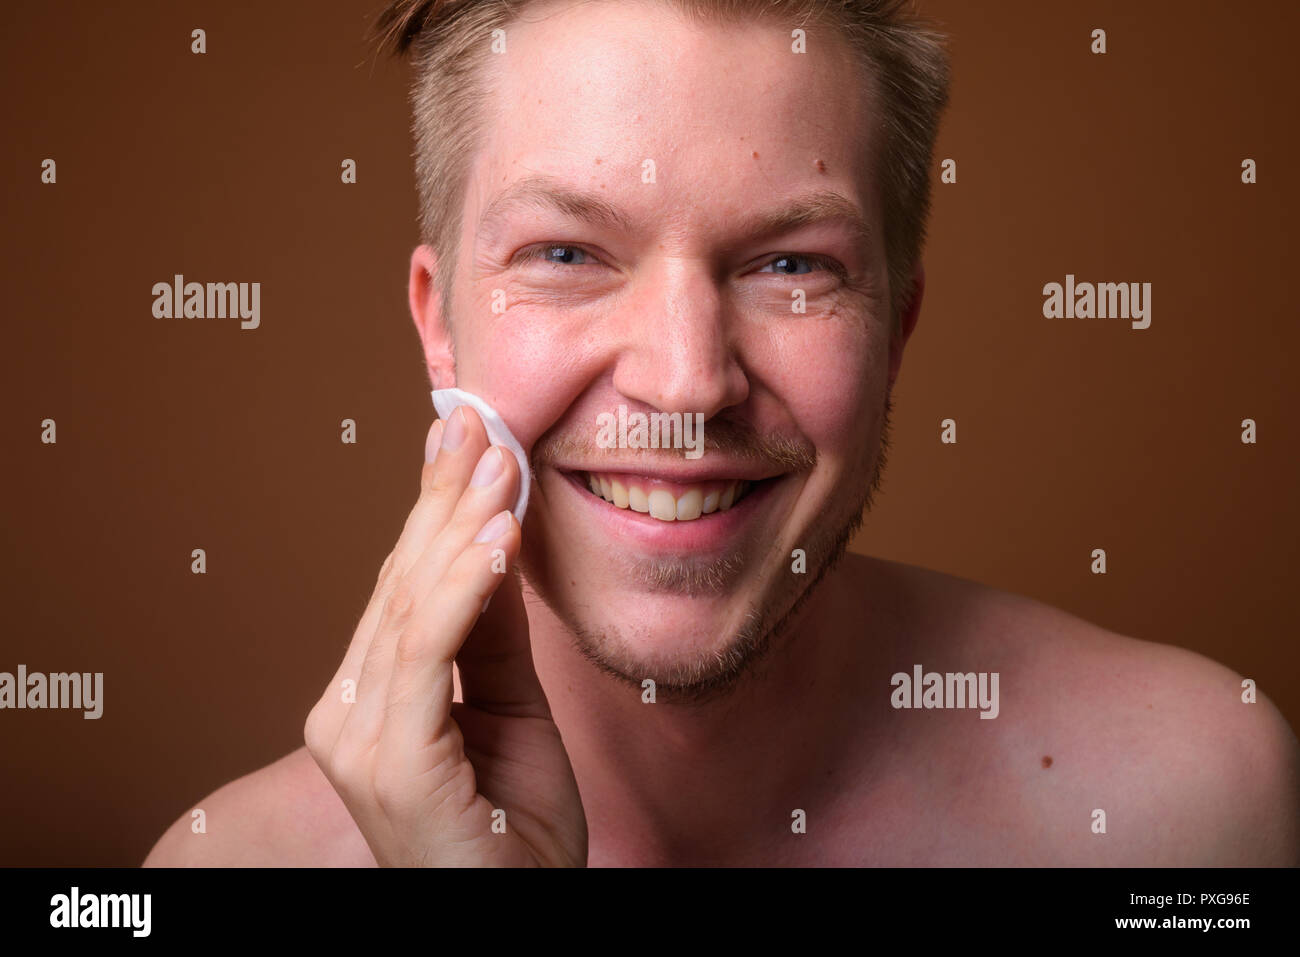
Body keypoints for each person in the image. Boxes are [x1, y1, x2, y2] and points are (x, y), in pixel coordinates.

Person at [144, 0, 1299, 866]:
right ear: (437, 330)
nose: (688, 382)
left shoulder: (1191, 805)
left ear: (894, 329)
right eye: (567, 255)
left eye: (792, 266)